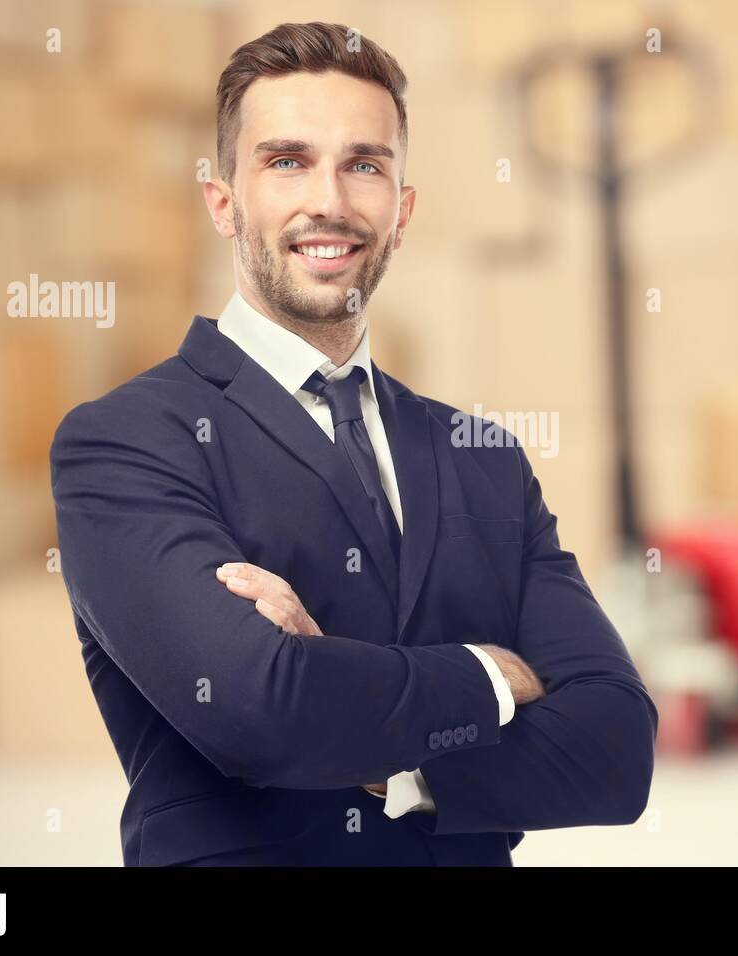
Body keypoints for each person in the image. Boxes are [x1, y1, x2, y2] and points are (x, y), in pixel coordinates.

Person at [50, 21, 657, 867]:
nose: (329, 201)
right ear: (223, 202)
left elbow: (617, 753)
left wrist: (383, 753)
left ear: (402, 211)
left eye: (364, 164)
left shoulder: (480, 455)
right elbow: (258, 710)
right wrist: (492, 674)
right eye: (287, 160)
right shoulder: (125, 442)